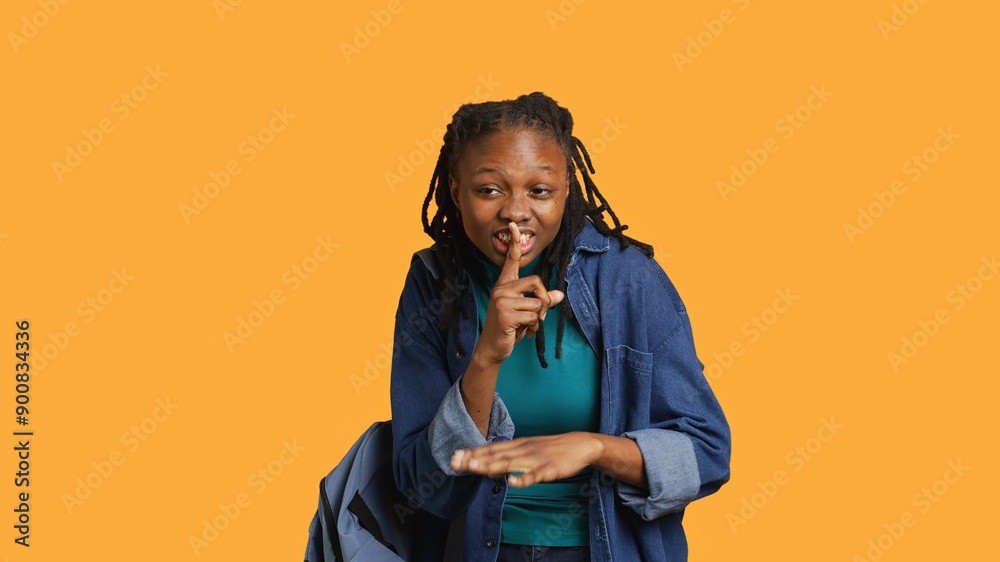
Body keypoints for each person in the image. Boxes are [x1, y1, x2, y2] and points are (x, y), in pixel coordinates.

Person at [390, 92, 730, 562]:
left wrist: (593, 448)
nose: (515, 211)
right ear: (454, 189)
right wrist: (486, 356)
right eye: (489, 190)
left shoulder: (626, 280)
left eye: (540, 191)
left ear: (567, 187)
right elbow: (419, 484)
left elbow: (707, 454)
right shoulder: (434, 284)